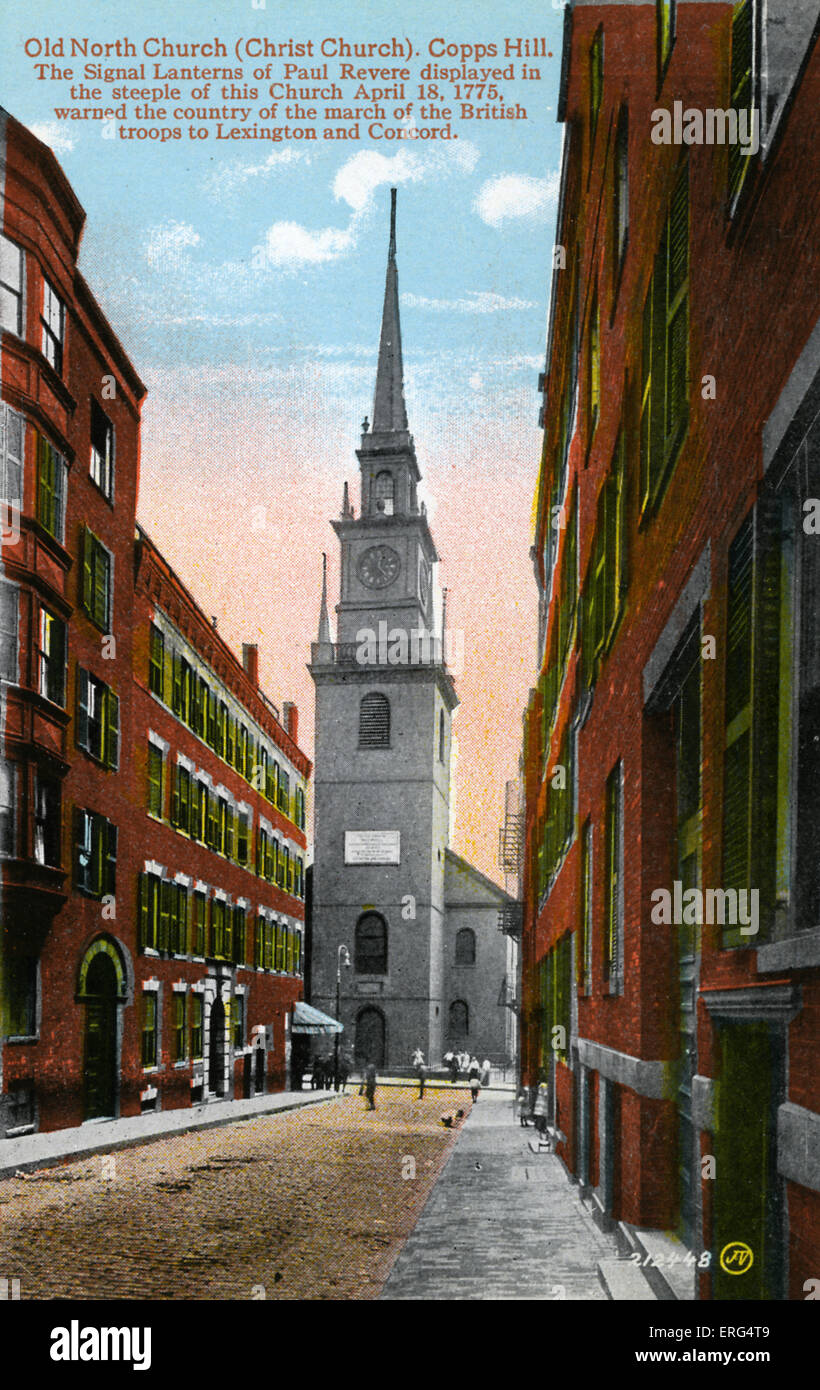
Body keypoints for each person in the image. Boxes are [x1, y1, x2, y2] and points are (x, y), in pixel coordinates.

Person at [533, 1076, 550, 1148]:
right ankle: (543, 1134)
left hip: (540, 1105)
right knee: (543, 1119)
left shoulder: (540, 1086)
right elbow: (545, 1094)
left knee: (540, 1119)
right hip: (543, 1106)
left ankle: (541, 1134)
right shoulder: (544, 1086)